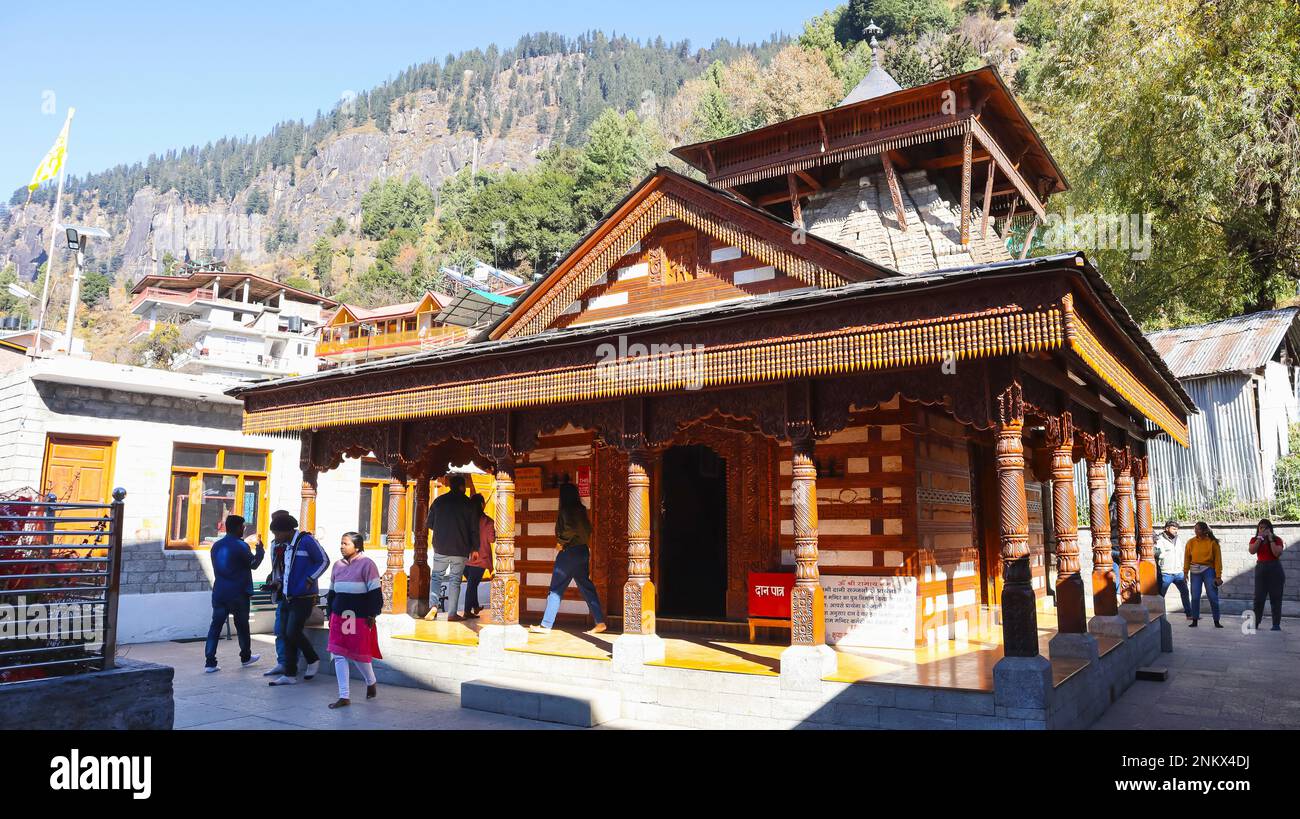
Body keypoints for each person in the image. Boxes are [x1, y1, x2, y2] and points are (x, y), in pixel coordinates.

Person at [529, 482, 606, 635]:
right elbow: (587, 529)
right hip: (583, 551)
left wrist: (560, 543)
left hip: (569, 553)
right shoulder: (582, 510)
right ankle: (600, 622)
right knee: (587, 588)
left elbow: (569, 528)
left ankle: (546, 625)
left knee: (556, 589)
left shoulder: (566, 510)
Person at [267, 510, 329, 686]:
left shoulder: (307, 541)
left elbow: (324, 560)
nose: (276, 537)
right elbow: (287, 570)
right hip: (287, 595)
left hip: (304, 596)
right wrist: (277, 582)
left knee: (292, 632)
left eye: (277, 533)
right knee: (286, 635)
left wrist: (310, 579)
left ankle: (313, 659)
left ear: (287, 531)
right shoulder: (285, 546)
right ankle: (290, 674)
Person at [326, 532, 383, 708]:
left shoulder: (367, 565)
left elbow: (375, 592)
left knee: (358, 655)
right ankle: (344, 696)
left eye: (346, 543)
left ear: (357, 547)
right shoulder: (337, 566)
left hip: (358, 617)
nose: (342, 546)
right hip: (339, 616)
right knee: (339, 654)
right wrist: (330, 613)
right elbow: (332, 592)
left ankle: (371, 681)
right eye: (341, 543)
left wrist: (372, 614)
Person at [203, 515, 264, 672]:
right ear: (238, 528)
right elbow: (254, 564)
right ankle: (245, 657)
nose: (244, 529)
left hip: (220, 591)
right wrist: (260, 552)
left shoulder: (216, 546)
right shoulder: (240, 546)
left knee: (215, 626)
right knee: (242, 626)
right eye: (243, 527)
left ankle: (210, 662)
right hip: (238, 592)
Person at [423, 474, 478, 623]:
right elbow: (474, 529)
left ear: (450, 486)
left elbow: (429, 524)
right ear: (462, 487)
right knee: (455, 580)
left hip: (440, 546)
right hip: (460, 549)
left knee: (436, 577)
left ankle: (433, 606)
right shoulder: (468, 504)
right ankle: (452, 614)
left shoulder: (439, 501)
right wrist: (475, 548)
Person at [1184, 521, 1224, 628]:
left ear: (1205, 530)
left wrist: (1218, 575)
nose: (1196, 531)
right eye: (1195, 528)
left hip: (1209, 570)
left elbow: (1218, 560)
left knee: (1212, 597)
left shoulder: (1213, 543)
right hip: (1194, 571)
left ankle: (1216, 621)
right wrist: (1185, 572)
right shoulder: (1191, 542)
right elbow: (1187, 558)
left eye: (1198, 529)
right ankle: (1195, 620)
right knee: (1195, 597)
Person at [1248, 518, 1285, 631]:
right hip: (1261, 569)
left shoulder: (1277, 539)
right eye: (1261, 527)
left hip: (1275, 569)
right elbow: (1252, 551)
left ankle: (1276, 624)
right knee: (1258, 597)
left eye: (1265, 527)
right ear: (1258, 529)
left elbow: (1276, 553)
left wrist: (1270, 539)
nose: (1263, 529)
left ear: (1270, 528)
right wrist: (1260, 538)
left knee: (1276, 597)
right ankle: (1255, 623)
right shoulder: (1254, 539)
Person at [463, 493, 494, 618]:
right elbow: (492, 539)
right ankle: (466, 610)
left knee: (472, 583)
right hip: (481, 558)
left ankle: (475, 606)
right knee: (472, 585)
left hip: (465, 558)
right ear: (482, 505)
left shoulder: (466, 520)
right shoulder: (488, 522)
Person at [1154, 519, 1192, 619]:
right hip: (1166, 573)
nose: (1176, 531)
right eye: (1174, 529)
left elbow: (1180, 555)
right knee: (1161, 596)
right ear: (1167, 528)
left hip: (1179, 573)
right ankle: (1161, 616)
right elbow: (1159, 554)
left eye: (1177, 529)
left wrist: (1184, 571)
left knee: (1185, 592)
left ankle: (1189, 614)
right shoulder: (1159, 539)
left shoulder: (1178, 539)